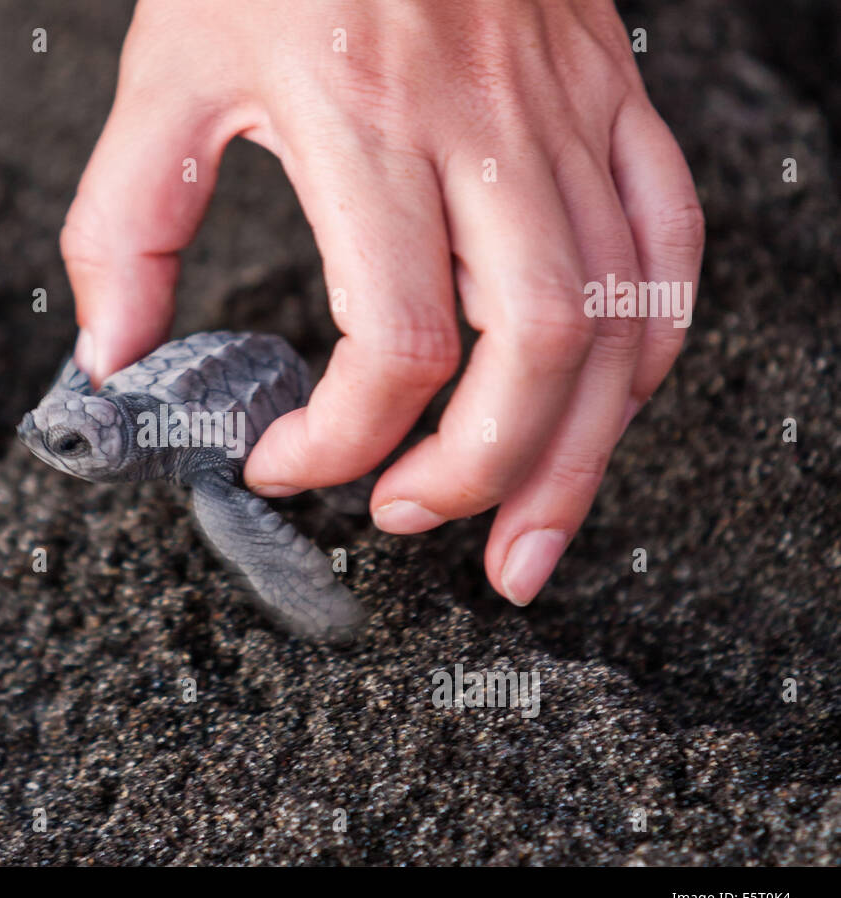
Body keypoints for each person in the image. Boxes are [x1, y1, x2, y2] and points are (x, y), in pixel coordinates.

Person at [60, 0, 704, 606]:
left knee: (329, 493)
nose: (53, 445)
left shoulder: (196, 461)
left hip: (275, 384)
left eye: (70, 445)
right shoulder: (118, 399)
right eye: (66, 438)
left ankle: (354, 480)